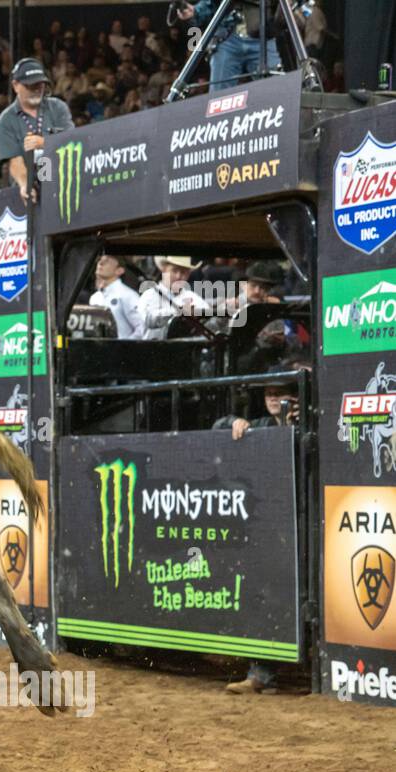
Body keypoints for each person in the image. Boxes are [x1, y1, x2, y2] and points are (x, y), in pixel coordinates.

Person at [216, 359, 307, 694]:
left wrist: (296, 421)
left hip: (307, 523)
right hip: (273, 526)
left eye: (280, 392)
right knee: (265, 592)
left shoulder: (309, 421)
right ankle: (261, 674)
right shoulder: (258, 424)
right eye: (269, 392)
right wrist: (233, 421)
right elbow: (217, 426)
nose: (273, 398)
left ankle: (316, 669)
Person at [0, 58, 73, 203]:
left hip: (63, 185)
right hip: (32, 194)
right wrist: (25, 184)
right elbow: (15, 161)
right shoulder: (6, 121)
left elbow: (73, 141)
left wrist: (45, 143)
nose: (37, 90)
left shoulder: (58, 108)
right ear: (16, 86)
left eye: (40, 84)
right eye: (31, 86)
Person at [176, 1, 283, 92]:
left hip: (263, 34)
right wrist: (195, 12)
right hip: (227, 38)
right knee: (218, 98)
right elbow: (210, 4)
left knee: (277, 89)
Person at [137, 255, 210, 339]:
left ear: (188, 274)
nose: (178, 276)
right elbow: (147, 320)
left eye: (183, 272)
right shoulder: (150, 295)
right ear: (164, 270)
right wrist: (178, 311)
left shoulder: (192, 296)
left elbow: (207, 315)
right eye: (174, 271)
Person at [88, 254, 145, 339]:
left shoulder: (128, 295)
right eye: (100, 260)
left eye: (107, 261)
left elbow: (142, 328)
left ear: (119, 270)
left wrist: (122, 346)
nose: (100, 263)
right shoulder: (95, 298)